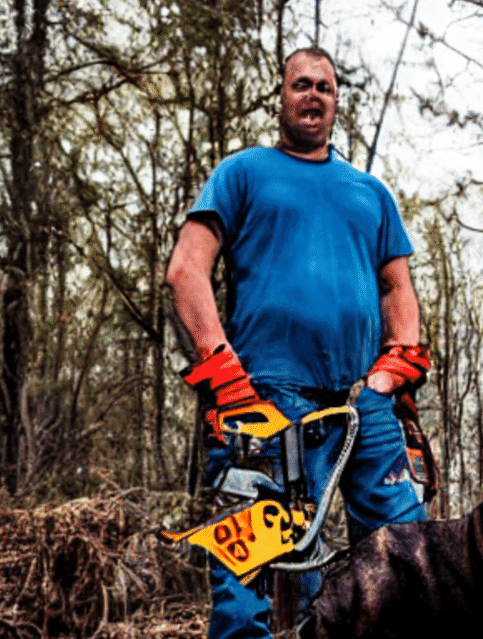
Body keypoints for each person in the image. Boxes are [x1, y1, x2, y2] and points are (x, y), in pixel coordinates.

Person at [165, 46, 430, 639]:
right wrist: (222, 370)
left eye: (325, 87)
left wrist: (393, 371)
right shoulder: (243, 173)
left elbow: (397, 289)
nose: (313, 95)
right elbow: (186, 270)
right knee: (247, 561)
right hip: (263, 396)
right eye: (301, 84)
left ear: (337, 102)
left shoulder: (370, 193)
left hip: (364, 400)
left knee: (410, 550)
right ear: (281, 97)